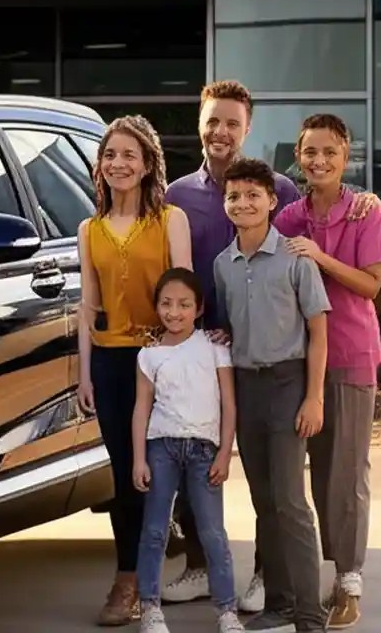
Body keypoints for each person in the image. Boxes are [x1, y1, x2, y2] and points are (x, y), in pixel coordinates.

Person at [162, 80, 381, 613]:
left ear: (248, 129)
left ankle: (312, 579)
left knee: (313, 479)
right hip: (226, 354)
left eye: (232, 123)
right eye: (213, 121)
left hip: (313, 353)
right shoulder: (193, 197)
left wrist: (364, 200)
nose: (221, 131)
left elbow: (361, 278)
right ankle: (229, 572)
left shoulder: (313, 201)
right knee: (233, 472)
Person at [275, 113, 381, 630]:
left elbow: (370, 285)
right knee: (312, 473)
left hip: (349, 354)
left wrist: (320, 258)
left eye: (330, 152)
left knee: (346, 472)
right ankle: (296, 577)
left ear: (347, 157)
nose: (319, 160)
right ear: (298, 157)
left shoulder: (367, 212)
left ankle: (349, 581)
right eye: (310, 152)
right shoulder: (288, 216)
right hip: (295, 359)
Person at [75, 115, 192, 626]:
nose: (118, 163)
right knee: (124, 474)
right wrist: (84, 374)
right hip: (110, 362)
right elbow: (87, 306)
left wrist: (175, 354)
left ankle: (151, 572)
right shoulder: (90, 229)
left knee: (158, 472)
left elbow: (184, 294)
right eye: (110, 155)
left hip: (160, 359)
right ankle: (129, 581)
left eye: (129, 155)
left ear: (147, 165)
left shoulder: (170, 220)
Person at [213, 157, 330, 633]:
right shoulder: (223, 265)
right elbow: (231, 326)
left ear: (272, 201)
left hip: (288, 385)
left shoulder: (296, 258)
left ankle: (309, 615)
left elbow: (318, 332)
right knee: (264, 501)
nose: (242, 203)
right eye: (233, 196)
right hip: (246, 388)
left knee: (290, 502)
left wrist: (314, 397)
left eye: (252, 195)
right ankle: (279, 603)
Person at [132, 267, 245, 633]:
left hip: (204, 451)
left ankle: (227, 611)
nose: (174, 312)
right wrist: (139, 459)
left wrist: (225, 452)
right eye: (166, 303)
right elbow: (141, 409)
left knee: (213, 532)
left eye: (184, 304)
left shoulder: (214, 347)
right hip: (161, 447)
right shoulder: (149, 356)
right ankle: (150, 608)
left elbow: (229, 403)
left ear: (199, 308)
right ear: (156, 306)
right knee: (154, 530)